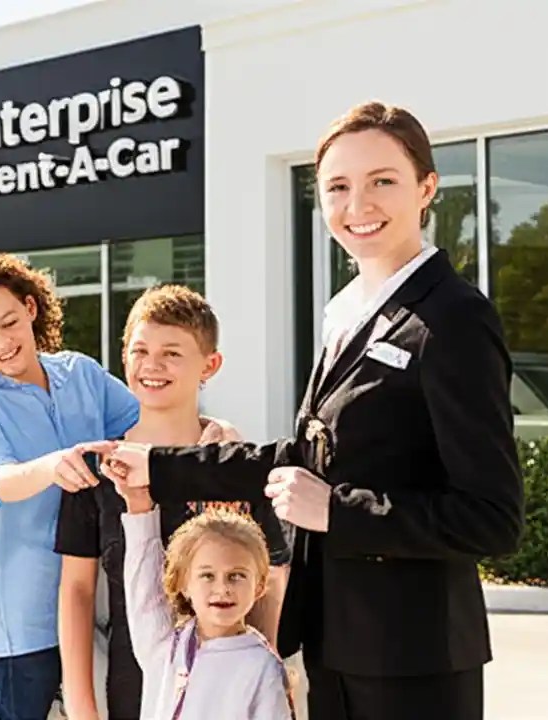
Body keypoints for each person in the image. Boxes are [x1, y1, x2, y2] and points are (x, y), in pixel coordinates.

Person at [99, 100, 524, 720]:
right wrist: (159, 469)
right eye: (338, 187)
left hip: (413, 656)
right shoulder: (349, 313)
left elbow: (492, 518)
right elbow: (300, 460)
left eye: (382, 181)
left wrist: (336, 509)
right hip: (337, 642)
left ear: (426, 188)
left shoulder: (452, 318)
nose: (358, 206)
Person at [54, 284, 292, 720]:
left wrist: (262, 673)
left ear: (210, 364)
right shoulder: (98, 471)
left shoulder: (237, 468)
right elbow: (77, 590)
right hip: (132, 690)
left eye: (173, 353)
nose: (153, 365)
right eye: (140, 351)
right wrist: (82, 705)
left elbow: (272, 579)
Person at [0, 251, 140, 719]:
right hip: (23, 616)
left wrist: (210, 430)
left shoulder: (81, 373)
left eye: (8, 323)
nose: (1, 343)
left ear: (31, 308)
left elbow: (144, 428)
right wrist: (50, 468)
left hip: (97, 597)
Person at [120, 499, 293, 719]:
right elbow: (143, 587)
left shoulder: (262, 667)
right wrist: (138, 505)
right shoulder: (165, 648)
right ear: (184, 583)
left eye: (236, 576)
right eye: (207, 576)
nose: (222, 588)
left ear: (258, 586)